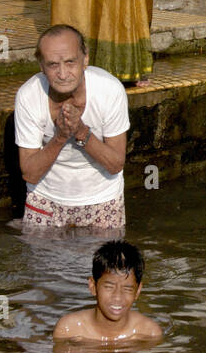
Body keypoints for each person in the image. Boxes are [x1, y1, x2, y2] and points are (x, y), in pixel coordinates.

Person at [15, 24, 129, 235]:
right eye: (53, 65)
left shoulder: (110, 90)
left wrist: (81, 131)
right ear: (41, 66)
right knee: (41, 266)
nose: (63, 74)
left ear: (85, 59)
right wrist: (59, 137)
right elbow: (29, 173)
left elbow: (115, 164)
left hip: (103, 200)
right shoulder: (28, 96)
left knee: (105, 268)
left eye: (70, 62)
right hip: (45, 200)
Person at [53, 240, 162, 345]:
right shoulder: (69, 330)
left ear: (138, 291)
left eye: (127, 289)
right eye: (109, 287)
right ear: (93, 286)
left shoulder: (149, 333)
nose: (118, 297)